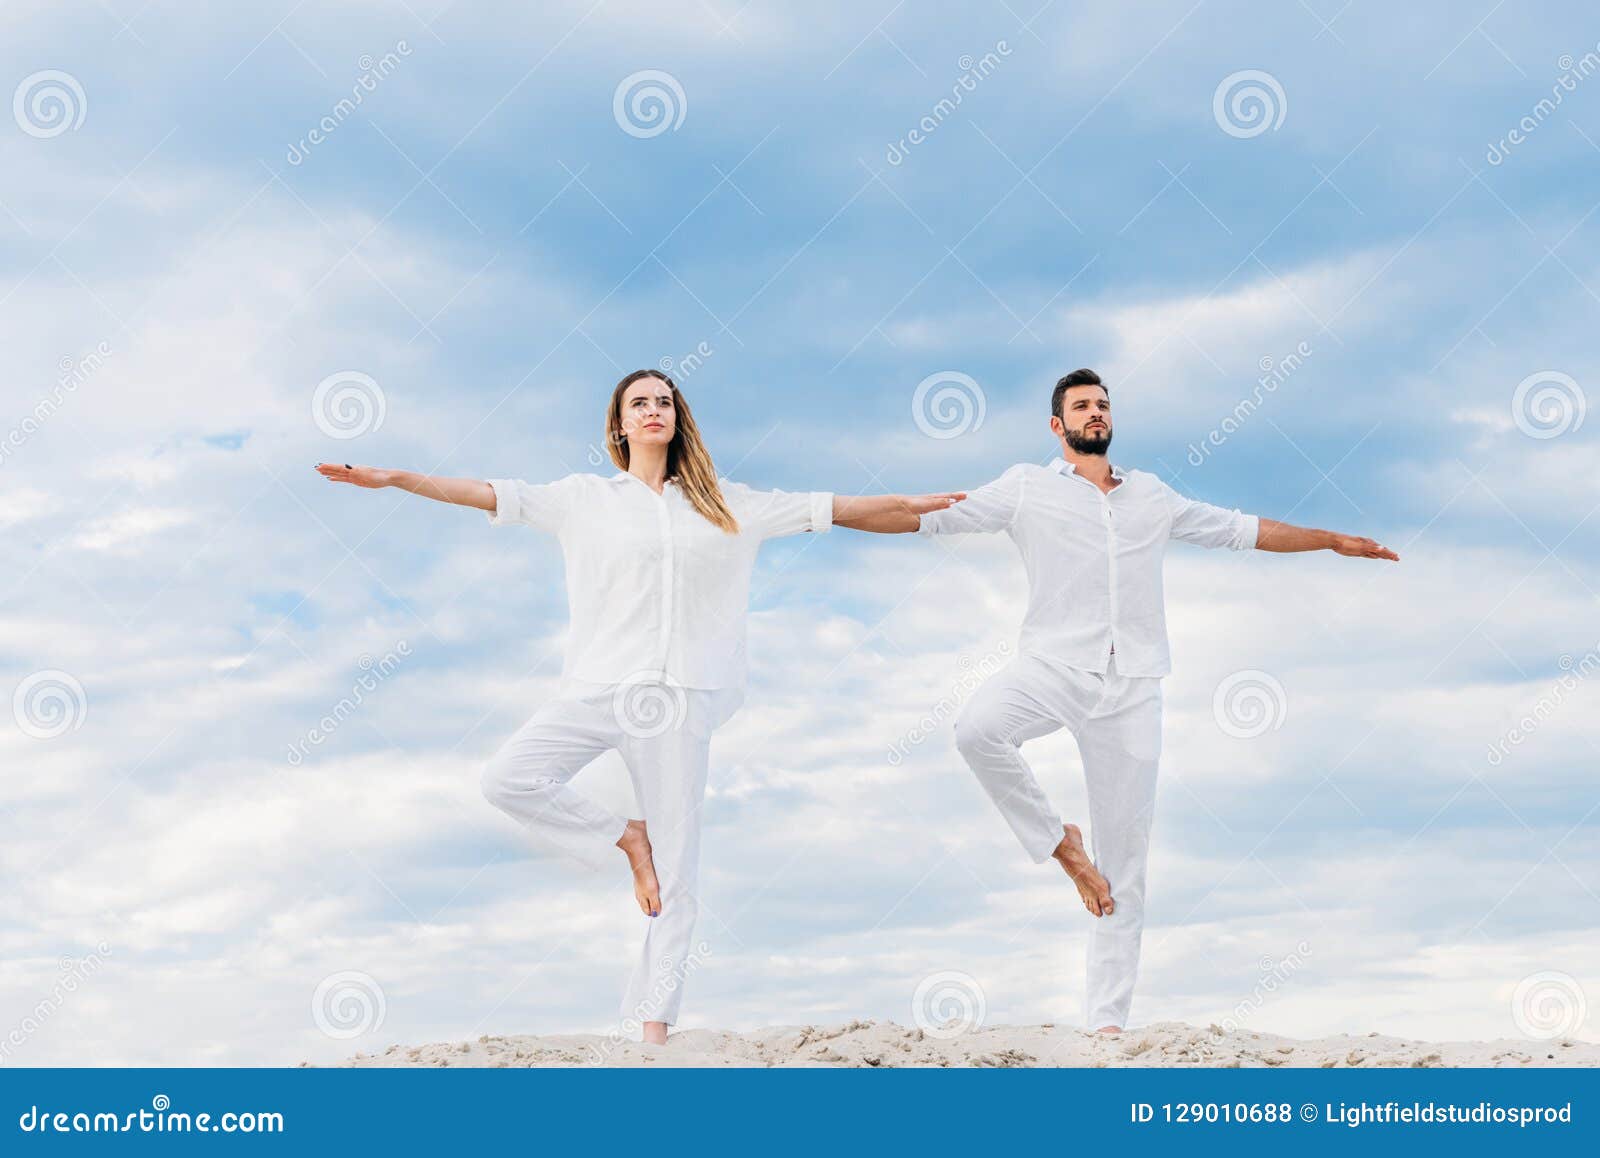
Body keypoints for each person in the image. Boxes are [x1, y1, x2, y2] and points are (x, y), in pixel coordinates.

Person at [315, 368, 963, 1045]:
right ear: (619, 425)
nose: (654, 410)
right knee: (506, 778)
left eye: (664, 401)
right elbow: (479, 492)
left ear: (677, 418)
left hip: (682, 697)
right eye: (639, 403)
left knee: (678, 871)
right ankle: (625, 836)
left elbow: (846, 510)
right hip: (599, 688)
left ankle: (651, 1030)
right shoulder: (582, 500)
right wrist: (395, 478)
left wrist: (925, 510)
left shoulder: (728, 505)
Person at [914, 368, 1398, 1035]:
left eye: (1103, 405)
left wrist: (1331, 539)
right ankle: (1060, 843)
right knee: (976, 730)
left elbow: (1244, 529)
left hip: (1133, 689)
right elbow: (933, 515)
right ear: (1058, 426)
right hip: (1052, 666)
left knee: (1127, 864)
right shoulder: (1027, 487)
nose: (1095, 413)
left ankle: (1106, 1026)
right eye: (1081, 406)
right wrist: (830, 513)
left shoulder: (1151, 496)